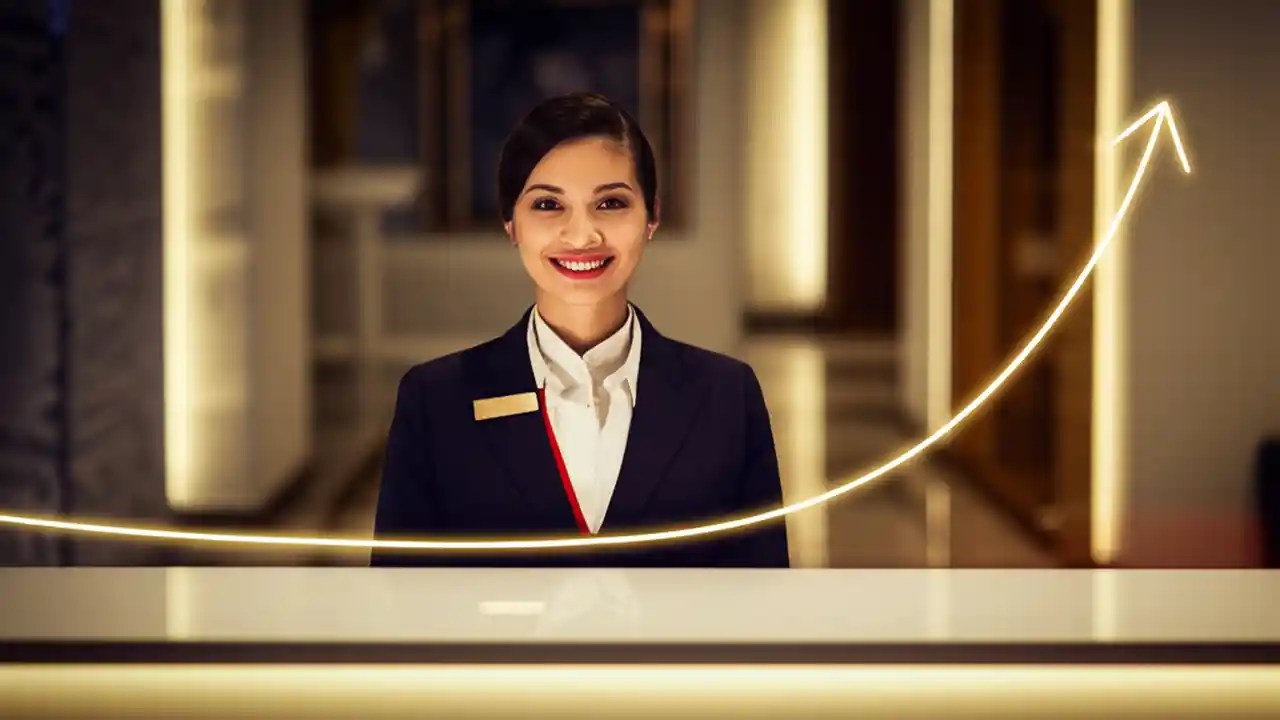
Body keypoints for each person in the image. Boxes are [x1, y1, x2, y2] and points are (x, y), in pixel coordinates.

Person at [371, 92, 788, 567]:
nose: (582, 235)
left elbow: (764, 593)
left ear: (651, 217)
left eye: (610, 202)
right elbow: (399, 598)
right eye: (549, 204)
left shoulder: (727, 396)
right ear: (511, 223)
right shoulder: (436, 401)